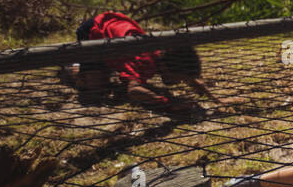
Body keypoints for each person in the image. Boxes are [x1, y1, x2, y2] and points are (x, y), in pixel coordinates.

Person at [67, 10, 219, 112]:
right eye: (179, 79)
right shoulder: (144, 63)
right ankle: (72, 65)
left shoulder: (163, 53)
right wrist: (170, 103)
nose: (179, 82)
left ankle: (99, 67)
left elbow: (187, 75)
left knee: (110, 76)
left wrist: (213, 98)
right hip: (95, 30)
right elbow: (133, 91)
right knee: (96, 88)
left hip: (115, 28)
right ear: (166, 67)